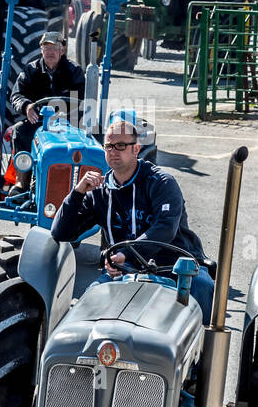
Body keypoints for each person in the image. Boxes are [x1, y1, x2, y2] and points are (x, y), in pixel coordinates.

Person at [51, 116, 215, 323]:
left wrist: (126, 254)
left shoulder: (161, 182)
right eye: (108, 146)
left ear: (136, 149)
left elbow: (165, 228)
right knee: (86, 305)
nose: (112, 151)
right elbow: (61, 233)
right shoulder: (100, 191)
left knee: (204, 288)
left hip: (176, 268)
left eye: (120, 145)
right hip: (125, 272)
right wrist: (77, 193)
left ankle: (204, 353)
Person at [9, 30, 86, 192]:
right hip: (37, 122)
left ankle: (79, 185)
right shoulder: (30, 70)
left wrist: (66, 116)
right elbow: (16, 94)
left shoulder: (74, 72)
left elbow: (81, 102)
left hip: (67, 124)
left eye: (54, 48)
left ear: (62, 50)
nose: (50, 52)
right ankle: (22, 181)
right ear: (41, 50)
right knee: (19, 131)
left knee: (91, 136)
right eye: (46, 47)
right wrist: (26, 106)